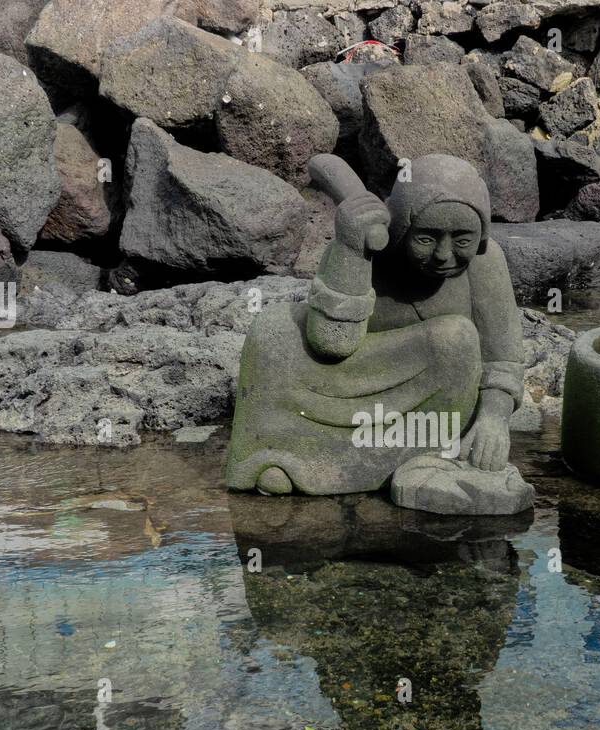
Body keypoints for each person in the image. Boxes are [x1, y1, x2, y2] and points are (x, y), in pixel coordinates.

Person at [225, 154, 526, 499]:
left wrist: (493, 419)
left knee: (455, 339)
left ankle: (403, 460)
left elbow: (503, 360)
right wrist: (352, 250)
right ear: (402, 230)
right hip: (349, 374)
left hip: (430, 403)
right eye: (426, 238)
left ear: (482, 236)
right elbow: (331, 342)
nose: (444, 254)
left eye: (462, 240)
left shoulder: (486, 264)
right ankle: (282, 454)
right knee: (274, 328)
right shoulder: (369, 247)